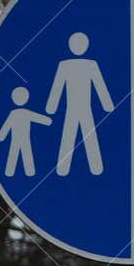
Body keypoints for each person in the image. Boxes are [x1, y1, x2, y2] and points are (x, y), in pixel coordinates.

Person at [46, 31, 116, 175]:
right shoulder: (76, 65)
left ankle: (72, 169)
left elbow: (99, 85)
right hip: (78, 108)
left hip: (81, 108)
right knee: (80, 135)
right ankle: (89, 169)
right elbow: (58, 87)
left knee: (78, 135)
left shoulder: (81, 65)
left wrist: (51, 107)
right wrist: (107, 105)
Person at [0, 86, 51, 177]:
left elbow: (6, 126)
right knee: (23, 153)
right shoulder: (22, 113)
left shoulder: (15, 113)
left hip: (19, 138)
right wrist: (48, 121)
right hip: (23, 138)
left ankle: (12, 172)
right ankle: (27, 172)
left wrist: (1, 136)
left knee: (17, 153)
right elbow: (39, 118)